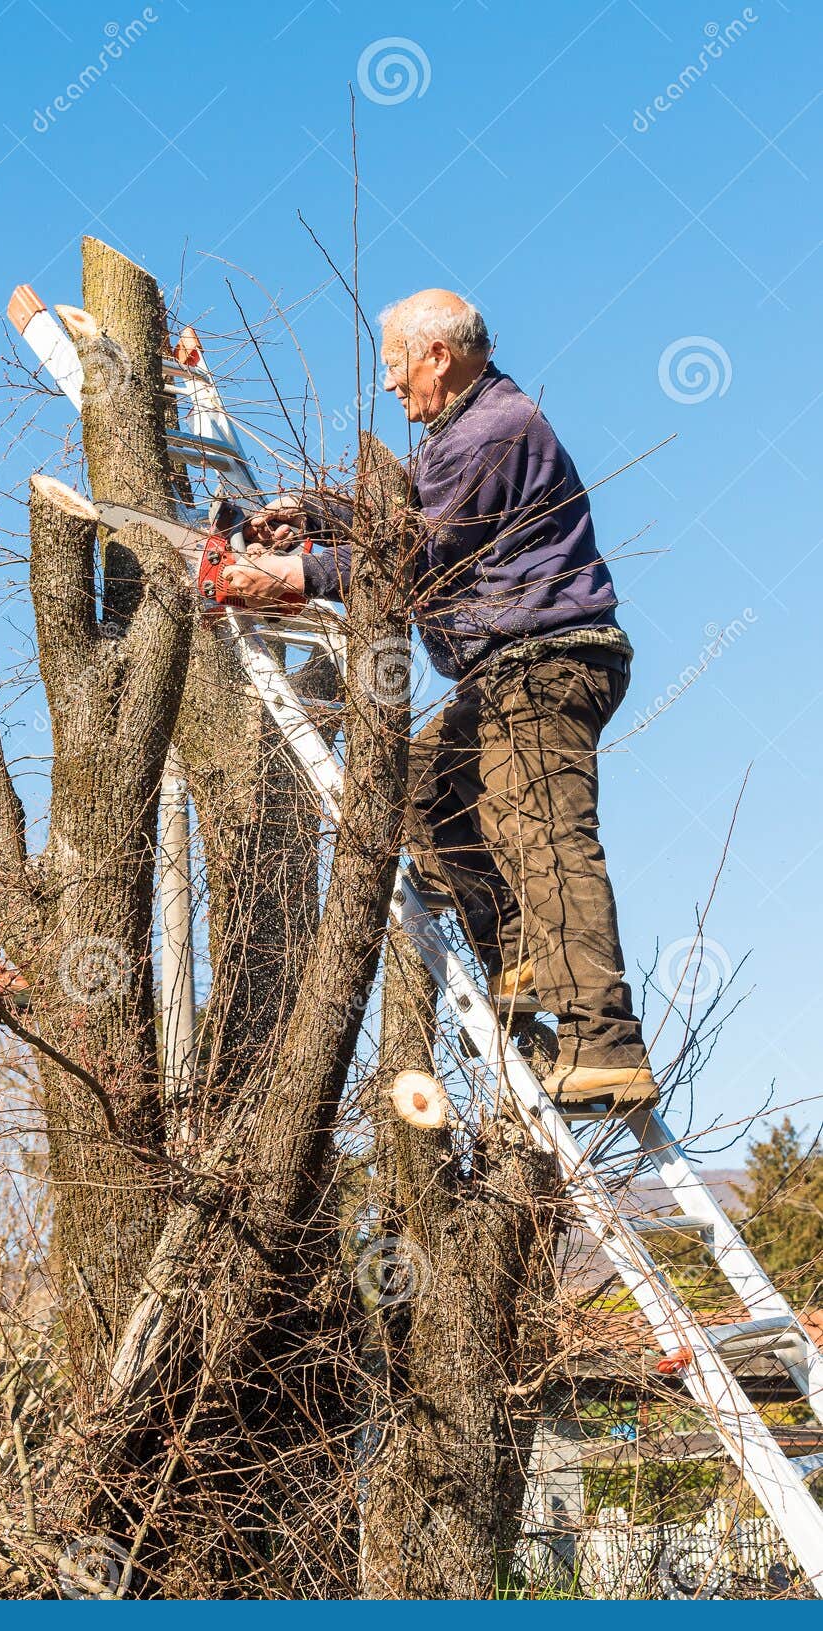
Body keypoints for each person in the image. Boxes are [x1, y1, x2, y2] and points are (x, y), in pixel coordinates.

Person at [223, 289, 659, 1112]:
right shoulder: (460, 434)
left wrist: (296, 576)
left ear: (436, 354)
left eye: (393, 363)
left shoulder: (492, 432)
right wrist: (300, 517)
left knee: (542, 836)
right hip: (503, 671)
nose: (387, 384)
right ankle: (522, 954)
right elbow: (401, 517)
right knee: (420, 789)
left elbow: (418, 553)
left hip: (542, 663)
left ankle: (605, 1042)